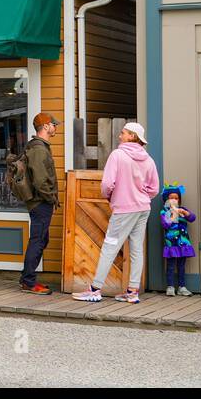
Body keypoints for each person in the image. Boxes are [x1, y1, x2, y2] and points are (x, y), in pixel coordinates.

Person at [72, 121, 160, 303]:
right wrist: (141, 195)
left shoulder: (118, 155)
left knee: (109, 247)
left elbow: (107, 184)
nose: (120, 136)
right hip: (143, 208)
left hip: (124, 209)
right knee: (136, 249)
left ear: (132, 136)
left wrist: (110, 197)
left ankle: (95, 289)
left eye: (123, 133)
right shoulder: (148, 159)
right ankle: (132, 292)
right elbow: (154, 189)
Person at [19, 112, 60, 295]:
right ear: (45, 126)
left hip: (40, 201)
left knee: (41, 239)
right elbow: (40, 181)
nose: (55, 127)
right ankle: (28, 282)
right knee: (37, 240)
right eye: (53, 124)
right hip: (40, 202)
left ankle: (26, 278)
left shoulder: (39, 147)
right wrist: (50, 198)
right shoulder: (39, 149)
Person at [160, 183, 196, 297]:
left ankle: (182, 286)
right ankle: (170, 286)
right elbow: (165, 225)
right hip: (171, 244)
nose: (174, 200)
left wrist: (185, 213)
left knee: (181, 266)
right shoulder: (164, 212)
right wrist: (172, 215)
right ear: (166, 199)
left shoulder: (182, 210)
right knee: (170, 266)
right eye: (171, 198)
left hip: (183, 243)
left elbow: (192, 218)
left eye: (176, 198)